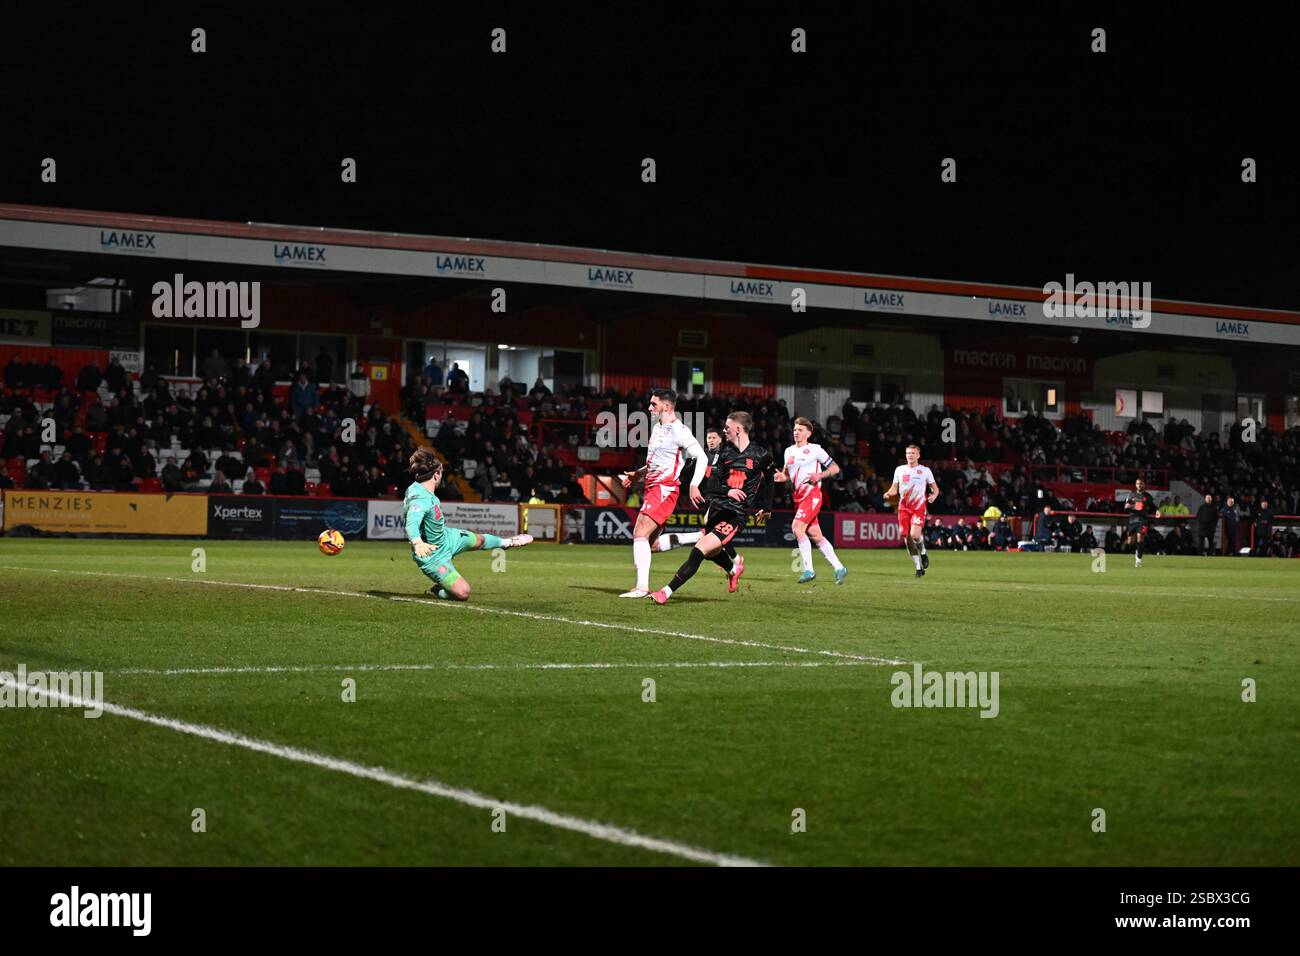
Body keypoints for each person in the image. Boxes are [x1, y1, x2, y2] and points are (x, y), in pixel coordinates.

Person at [650, 411, 772, 604]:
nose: (724, 431)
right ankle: (734, 569)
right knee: (710, 552)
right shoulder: (724, 454)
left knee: (699, 550)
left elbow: (770, 479)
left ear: (738, 429)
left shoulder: (762, 455)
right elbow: (712, 486)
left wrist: (766, 508)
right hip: (717, 509)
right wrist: (728, 491)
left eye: (727, 427)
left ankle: (666, 592)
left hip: (734, 515)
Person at [403, 447, 533, 601]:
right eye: (441, 473)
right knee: (463, 592)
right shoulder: (420, 498)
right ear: (436, 474)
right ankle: (440, 589)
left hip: (447, 537)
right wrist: (417, 543)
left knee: (479, 540)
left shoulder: (418, 489)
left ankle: (508, 542)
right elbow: (412, 522)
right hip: (433, 555)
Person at [616, 388, 707, 598]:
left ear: (666, 407)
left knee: (639, 531)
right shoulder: (658, 428)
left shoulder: (680, 431)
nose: (649, 408)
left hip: (664, 489)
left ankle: (641, 588)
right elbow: (656, 462)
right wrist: (638, 474)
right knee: (650, 544)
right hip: (652, 488)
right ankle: (697, 536)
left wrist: (694, 484)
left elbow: (701, 457)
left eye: (653, 404)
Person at [775, 417, 847, 584]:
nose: (796, 432)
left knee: (796, 528)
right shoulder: (788, 451)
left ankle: (809, 570)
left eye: (800, 430)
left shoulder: (815, 449)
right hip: (798, 499)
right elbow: (786, 474)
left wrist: (820, 475)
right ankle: (839, 568)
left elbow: (835, 468)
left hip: (812, 496)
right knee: (816, 535)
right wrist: (782, 477)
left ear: (808, 433)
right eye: (795, 430)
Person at [885, 444, 940, 577]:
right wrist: (888, 493)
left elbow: (936, 488)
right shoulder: (899, 470)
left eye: (913, 453)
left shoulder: (925, 470)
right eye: (908, 453)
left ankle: (923, 552)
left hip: (918, 507)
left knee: (915, 535)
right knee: (906, 536)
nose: (910, 455)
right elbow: (894, 488)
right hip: (903, 508)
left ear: (918, 455)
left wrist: (933, 496)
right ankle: (918, 568)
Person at [1123, 478, 1161, 568]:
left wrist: (1157, 511)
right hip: (1132, 520)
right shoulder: (1131, 495)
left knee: (1140, 539)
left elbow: (1153, 507)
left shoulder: (1148, 496)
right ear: (1135, 485)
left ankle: (1139, 560)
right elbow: (1125, 506)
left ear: (1144, 484)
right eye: (1137, 484)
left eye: (1140, 483)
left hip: (1142, 520)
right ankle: (1138, 551)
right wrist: (1132, 505)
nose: (1139, 485)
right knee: (1130, 542)